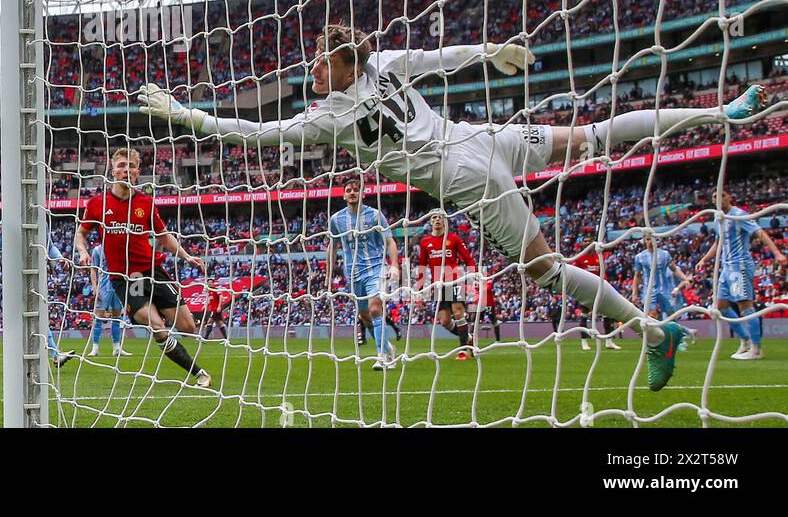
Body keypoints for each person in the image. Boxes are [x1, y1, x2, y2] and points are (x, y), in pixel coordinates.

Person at [138, 24, 772, 390]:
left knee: (542, 269)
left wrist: (183, 115)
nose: (312, 73)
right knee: (595, 134)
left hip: (465, 177)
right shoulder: (384, 63)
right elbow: (439, 59)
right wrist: (492, 52)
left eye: (319, 65)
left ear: (340, 64)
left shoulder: (328, 118)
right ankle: (724, 111)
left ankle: (653, 332)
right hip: (480, 135)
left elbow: (251, 135)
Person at [73, 147, 212, 388]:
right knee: (157, 326)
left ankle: (146, 313)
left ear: (138, 172)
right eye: (121, 165)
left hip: (152, 272)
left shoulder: (146, 203)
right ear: (113, 171)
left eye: (131, 166)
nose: (126, 170)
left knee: (188, 327)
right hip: (128, 278)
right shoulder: (97, 204)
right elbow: (80, 234)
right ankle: (199, 372)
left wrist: (186, 256)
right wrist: (83, 251)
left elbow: (164, 236)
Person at [695, 188, 788, 360]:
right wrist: (704, 259)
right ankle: (744, 340)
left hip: (740, 266)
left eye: (722, 195)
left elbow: (760, 232)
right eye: (715, 197)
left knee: (746, 307)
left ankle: (757, 349)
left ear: (729, 197)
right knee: (719, 306)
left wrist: (777, 253)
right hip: (726, 268)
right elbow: (718, 242)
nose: (718, 199)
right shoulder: (718, 218)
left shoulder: (739, 215)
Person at [327, 179, 400, 369]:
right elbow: (332, 246)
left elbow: (390, 241)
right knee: (365, 315)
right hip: (352, 272)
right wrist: (329, 274)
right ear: (343, 195)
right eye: (349, 190)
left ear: (363, 194)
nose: (352, 193)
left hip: (375, 268)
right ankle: (387, 347)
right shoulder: (336, 220)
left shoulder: (375, 215)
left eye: (356, 190)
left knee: (375, 308)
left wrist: (394, 266)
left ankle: (382, 356)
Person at [0, 223, 77, 367]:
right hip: (15, 277)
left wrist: (60, 258)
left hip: (35, 274)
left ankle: (52, 354)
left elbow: (50, 246)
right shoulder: (7, 222)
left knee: (36, 314)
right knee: (26, 316)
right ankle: (46, 354)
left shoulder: (42, 221)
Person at [415, 211, 474, 359]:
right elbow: (422, 265)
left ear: (445, 222)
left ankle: (462, 350)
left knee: (458, 313)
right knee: (444, 321)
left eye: (440, 217)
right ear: (430, 222)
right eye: (434, 218)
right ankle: (469, 338)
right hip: (438, 284)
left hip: (454, 279)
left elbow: (468, 259)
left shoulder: (453, 238)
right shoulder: (425, 242)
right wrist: (420, 289)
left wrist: (474, 275)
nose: (437, 220)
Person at [632, 236, 692, 322]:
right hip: (649, 290)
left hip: (665, 289)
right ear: (645, 241)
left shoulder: (665, 254)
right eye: (648, 239)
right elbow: (637, 276)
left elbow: (674, 269)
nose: (650, 242)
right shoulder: (640, 257)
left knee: (671, 316)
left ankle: (676, 333)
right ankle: (657, 334)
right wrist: (634, 293)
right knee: (652, 316)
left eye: (652, 239)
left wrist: (685, 278)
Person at [88, 243, 128, 356]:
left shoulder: (120, 248)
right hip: (103, 287)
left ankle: (117, 348)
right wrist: (95, 287)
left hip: (118, 286)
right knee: (98, 317)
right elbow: (93, 270)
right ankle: (95, 348)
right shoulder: (97, 250)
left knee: (117, 317)